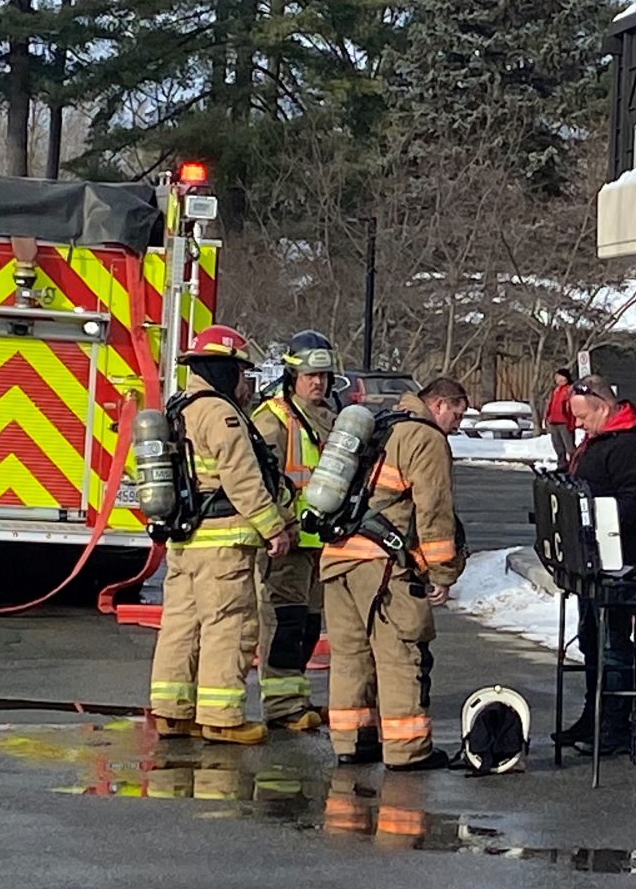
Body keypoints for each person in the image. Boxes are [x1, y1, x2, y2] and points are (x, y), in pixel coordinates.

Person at [149, 325, 295, 746]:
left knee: (180, 625)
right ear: (222, 369)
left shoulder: (180, 407)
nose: (244, 382)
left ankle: (172, 713)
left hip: (185, 540)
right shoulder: (221, 413)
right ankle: (221, 717)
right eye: (239, 372)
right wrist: (274, 527)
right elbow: (244, 480)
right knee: (227, 625)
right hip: (223, 542)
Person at [321, 376, 471, 771]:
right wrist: (442, 572)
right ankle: (408, 751)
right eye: (458, 413)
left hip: (338, 557)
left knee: (351, 656)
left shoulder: (383, 425)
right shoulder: (425, 439)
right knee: (401, 654)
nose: (458, 423)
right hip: (382, 565)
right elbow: (434, 510)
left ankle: (352, 741)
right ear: (440, 404)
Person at [550, 374, 636, 757]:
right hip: (590, 560)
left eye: (582, 417)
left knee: (613, 644)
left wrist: (597, 525)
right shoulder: (597, 442)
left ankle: (614, 725)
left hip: (618, 561)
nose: (576, 425)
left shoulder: (628, 445)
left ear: (604, 407)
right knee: (591, 640)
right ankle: (592, 716)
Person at [251, 330, 339, 732]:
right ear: (292, 376)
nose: (317, 383)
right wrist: (275, 526)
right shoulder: (273, 419)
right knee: (283, 623)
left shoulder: (329, 418)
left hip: (317, 542)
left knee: (306, 625)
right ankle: (282, 705)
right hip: (286, 542)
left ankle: (296, 696)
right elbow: (260, 481)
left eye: (323, 376)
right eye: (309, 376)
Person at [544, 367, 577, 470]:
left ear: (565, 378)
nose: (556, 378)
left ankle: (574, 465)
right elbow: (550, 404)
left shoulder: (569, 390)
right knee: (557, 445)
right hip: (554, 420)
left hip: (564, 421)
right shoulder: (556, 390)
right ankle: (562, 464)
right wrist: (547, 417)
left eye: (559, 376)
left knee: (569, 446)